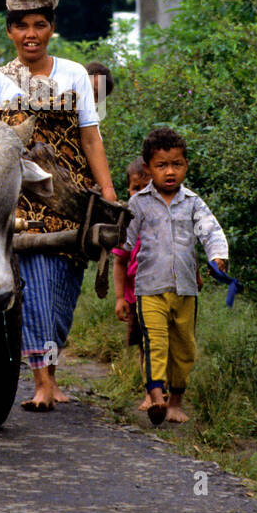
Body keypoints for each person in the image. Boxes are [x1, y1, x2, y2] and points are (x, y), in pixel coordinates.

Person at [0, 0, 118, 411]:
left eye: (39, 25)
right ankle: (43, 382)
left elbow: (91, 137)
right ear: (9, 32)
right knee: (36, 285)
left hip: (73, 199)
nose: (30, 35)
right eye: (22, 27)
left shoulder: (74, 73)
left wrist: (106, 193)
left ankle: (49, 371)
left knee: (63, 294)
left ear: (51, 28)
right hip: (21, 199)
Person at [116, 128, 229, 425]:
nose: (170, 172)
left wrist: (217, 258)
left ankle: (175, 401)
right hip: (149, 288)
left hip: (185, 291)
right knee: (155, 343)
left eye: (176, 165)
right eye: (161, 165)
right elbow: (124, 243)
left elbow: (211, 232)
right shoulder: (139, 204)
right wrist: (118, 290)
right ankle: (156, 397)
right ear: (148, 167)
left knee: (184, 349)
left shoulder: (192, 203)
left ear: (186, 166)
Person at [111, 157, 150, 401]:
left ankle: (162, 390)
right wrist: (119, 298)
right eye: (136, 189)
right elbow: (119, 262)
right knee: (145, 346)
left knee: (163, 344)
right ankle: (151, 393)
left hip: (166, 293)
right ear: (128, 190)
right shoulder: (128, 224)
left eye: (146, 189)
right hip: (136, 298)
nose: (141, 195)